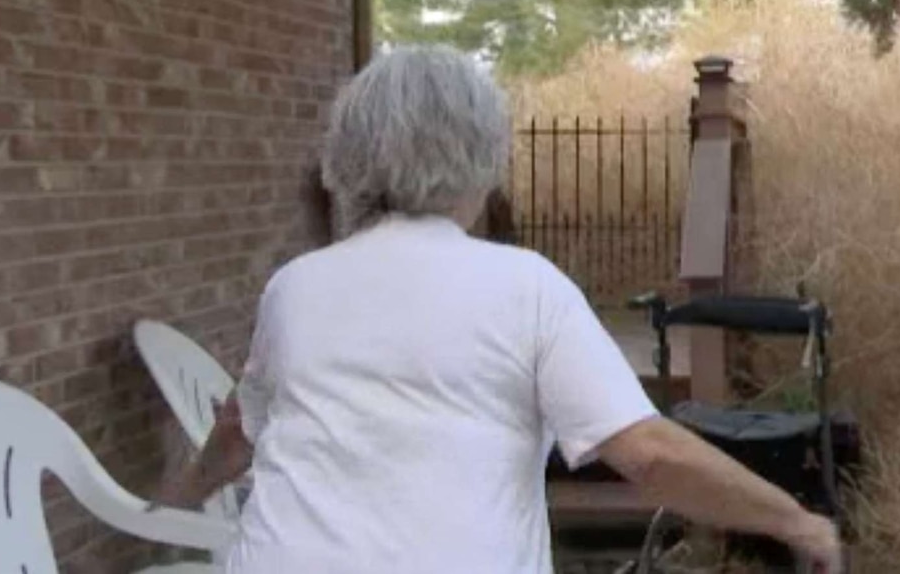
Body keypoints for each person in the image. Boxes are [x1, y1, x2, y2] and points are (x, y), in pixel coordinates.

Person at [153, 45, 842, 574]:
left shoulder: (295, 286)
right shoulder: (527, 288)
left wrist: (173, 503)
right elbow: (649, 455)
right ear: (481, 159)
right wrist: (796, 521)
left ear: (351, 157)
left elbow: (239, 430)